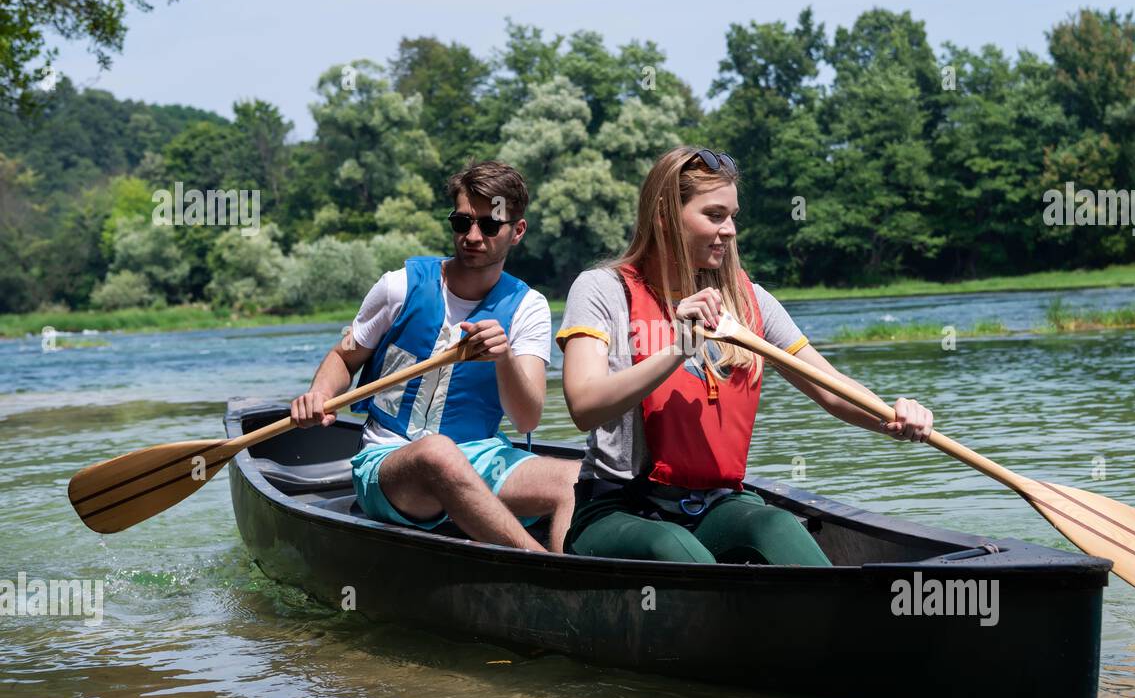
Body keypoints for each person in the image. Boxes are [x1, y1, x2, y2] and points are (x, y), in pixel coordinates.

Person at [555, 146, 935, 563]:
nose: (730, 229)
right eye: (714, 215)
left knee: (776, 525)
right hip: (617, 507)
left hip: (715, 504)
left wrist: (892, 417)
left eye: (733, 216)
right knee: (673, 548)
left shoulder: (749, 300)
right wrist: (678, 348)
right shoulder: (601, 290)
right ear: (664, 215)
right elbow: (585, 406)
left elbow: (830, 390)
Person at [290, 160, 579, 553]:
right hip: (389, 463)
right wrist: (319, 395)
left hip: (480, 457)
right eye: (462, 223)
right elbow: (344, 358)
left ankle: (577, 575)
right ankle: (545, 569)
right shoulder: (399, 286)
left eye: (489, 225)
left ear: (517, 232)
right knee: (437, 452)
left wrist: (504, 358)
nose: (473, 236)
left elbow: (526, 418)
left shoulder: (529, 307)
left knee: (576, 480)